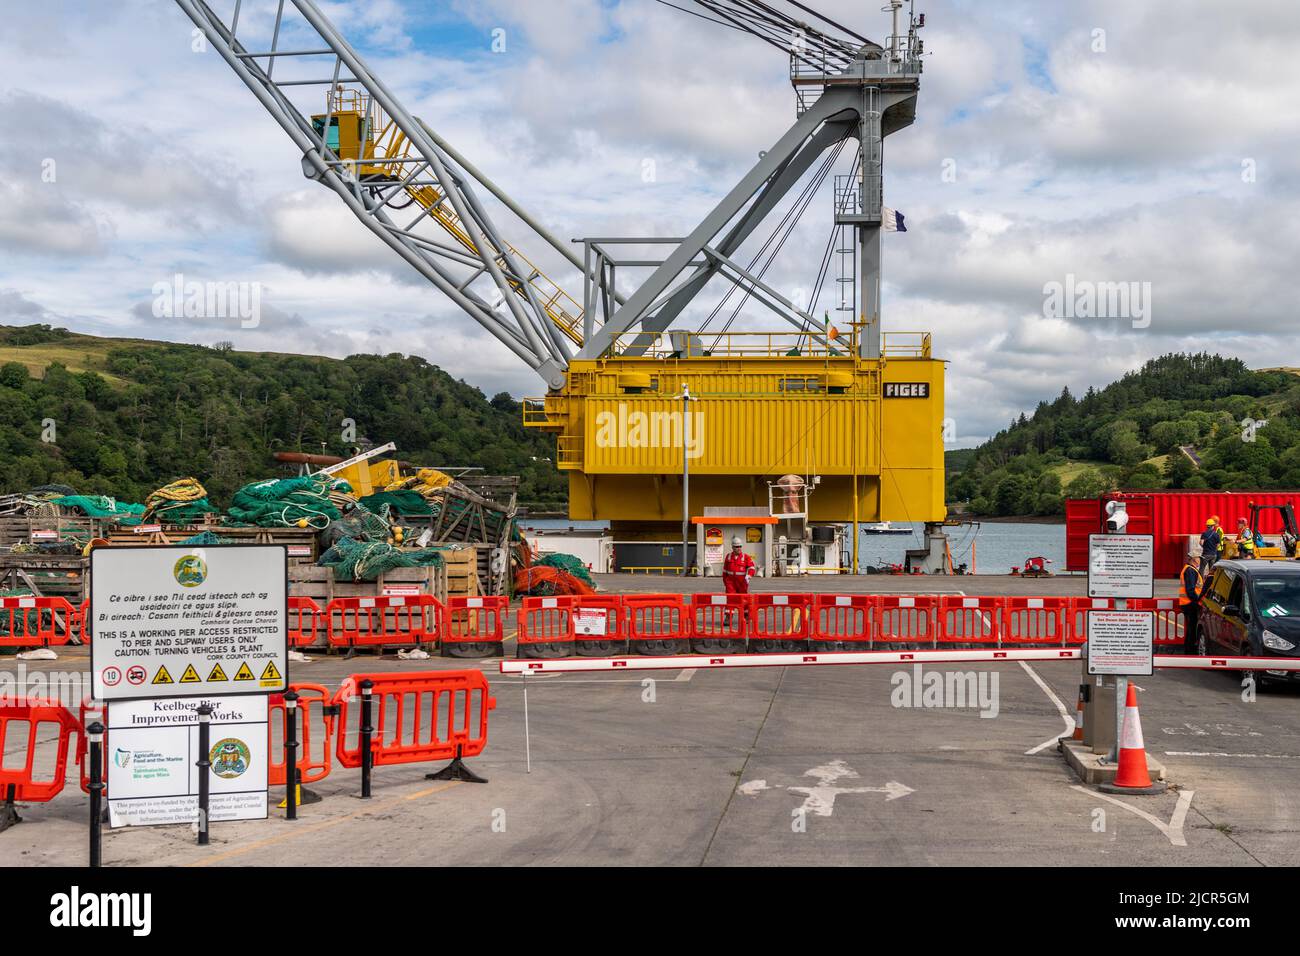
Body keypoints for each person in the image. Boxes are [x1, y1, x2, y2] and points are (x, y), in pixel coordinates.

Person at [1179, 555, 1207, 654]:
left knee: (1191, 628)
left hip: (1187, 603)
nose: (1200, 562)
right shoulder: (1190, 571)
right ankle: (1190, 651)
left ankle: (1189, 649)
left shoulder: (1189, 569)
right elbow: (1190, 590)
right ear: (1194, 559)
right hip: (1190, 603)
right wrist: (1197, 601)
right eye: (1199, 559)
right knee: (1192, 628)